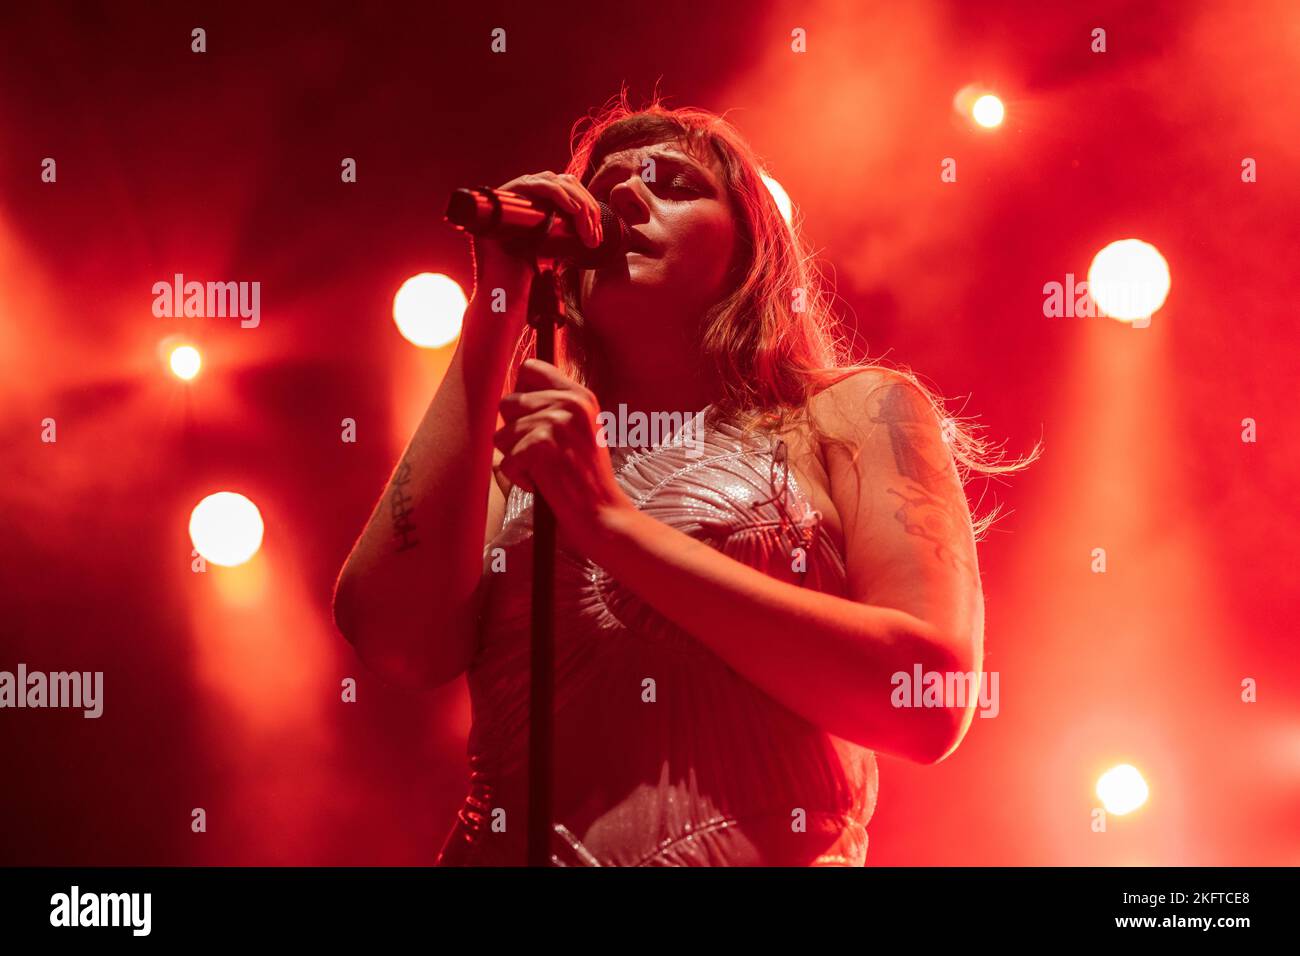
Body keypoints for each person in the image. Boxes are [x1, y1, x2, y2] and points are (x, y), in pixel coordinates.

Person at [332, 91, 1037, 866]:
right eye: (605, 192)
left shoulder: (855, 412)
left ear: (750, 251)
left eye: (673, 185)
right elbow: (393, 641)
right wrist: (494, 303)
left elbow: (927, 699)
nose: (626, 196)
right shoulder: (526, 447)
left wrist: (614, 527)